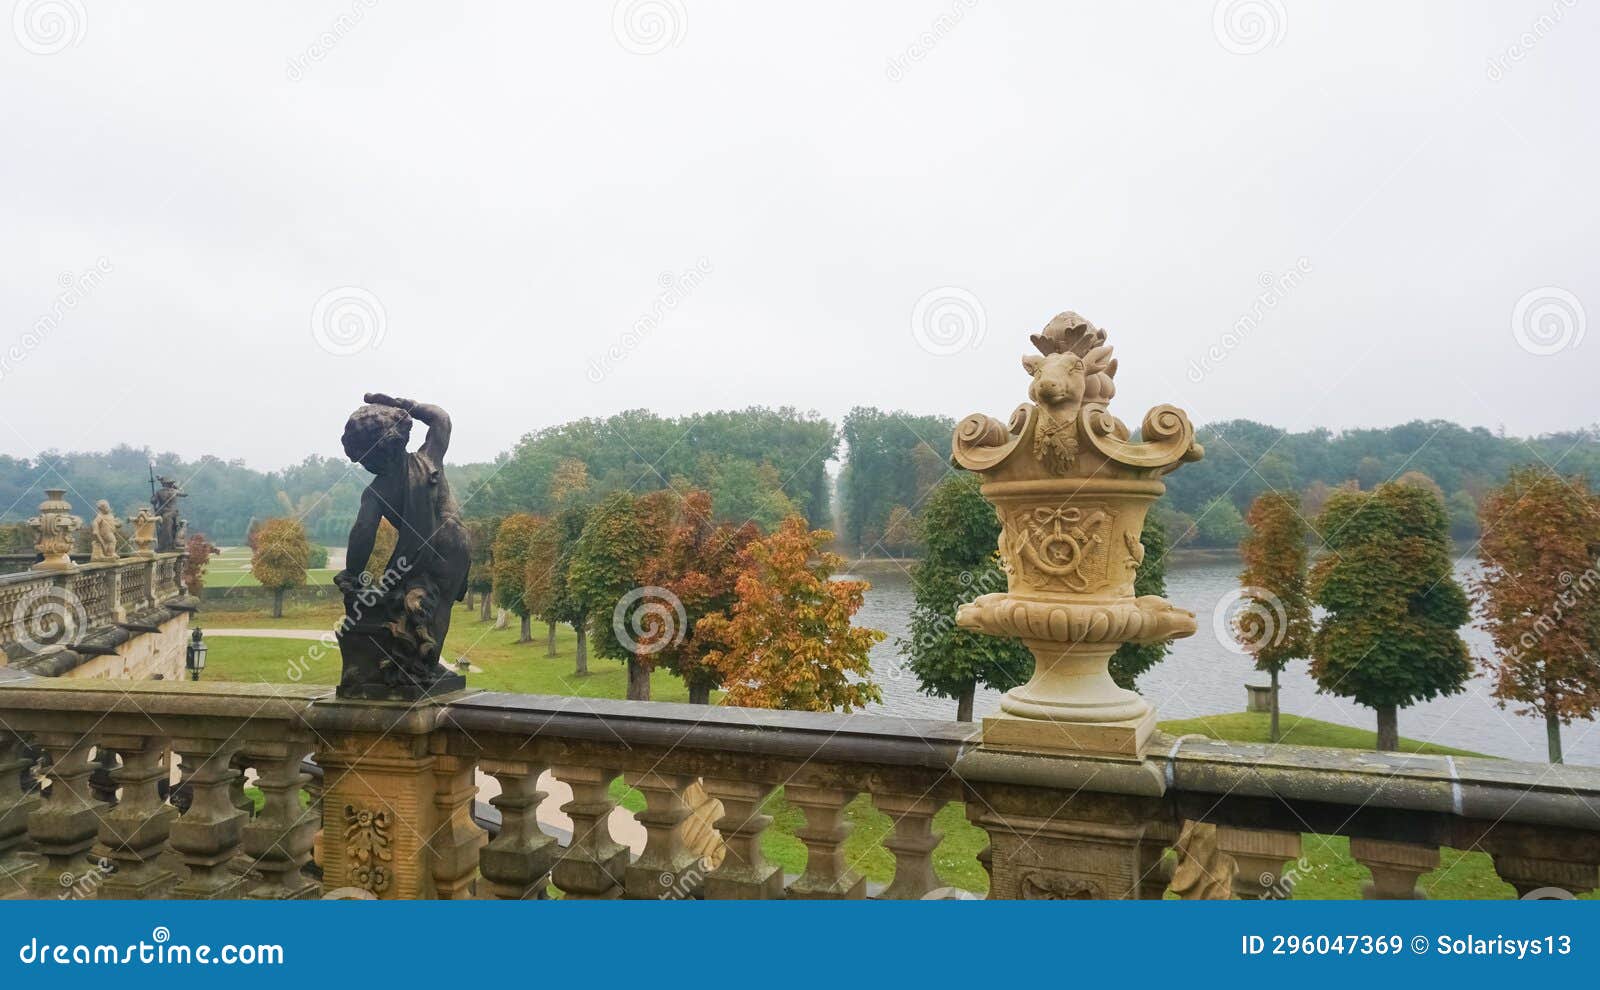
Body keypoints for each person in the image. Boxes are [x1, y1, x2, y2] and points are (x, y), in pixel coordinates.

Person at [335, 393, 470, 666]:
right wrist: (405, 405)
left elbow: (363, 533)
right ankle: (425, 664)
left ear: (368, 457)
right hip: (455, 543)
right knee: (439, 608)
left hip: (419, 554)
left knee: (400, 602)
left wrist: (352, 573)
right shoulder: (428, 460)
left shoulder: (376, 492)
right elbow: (441, 419)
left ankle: (412, 664)